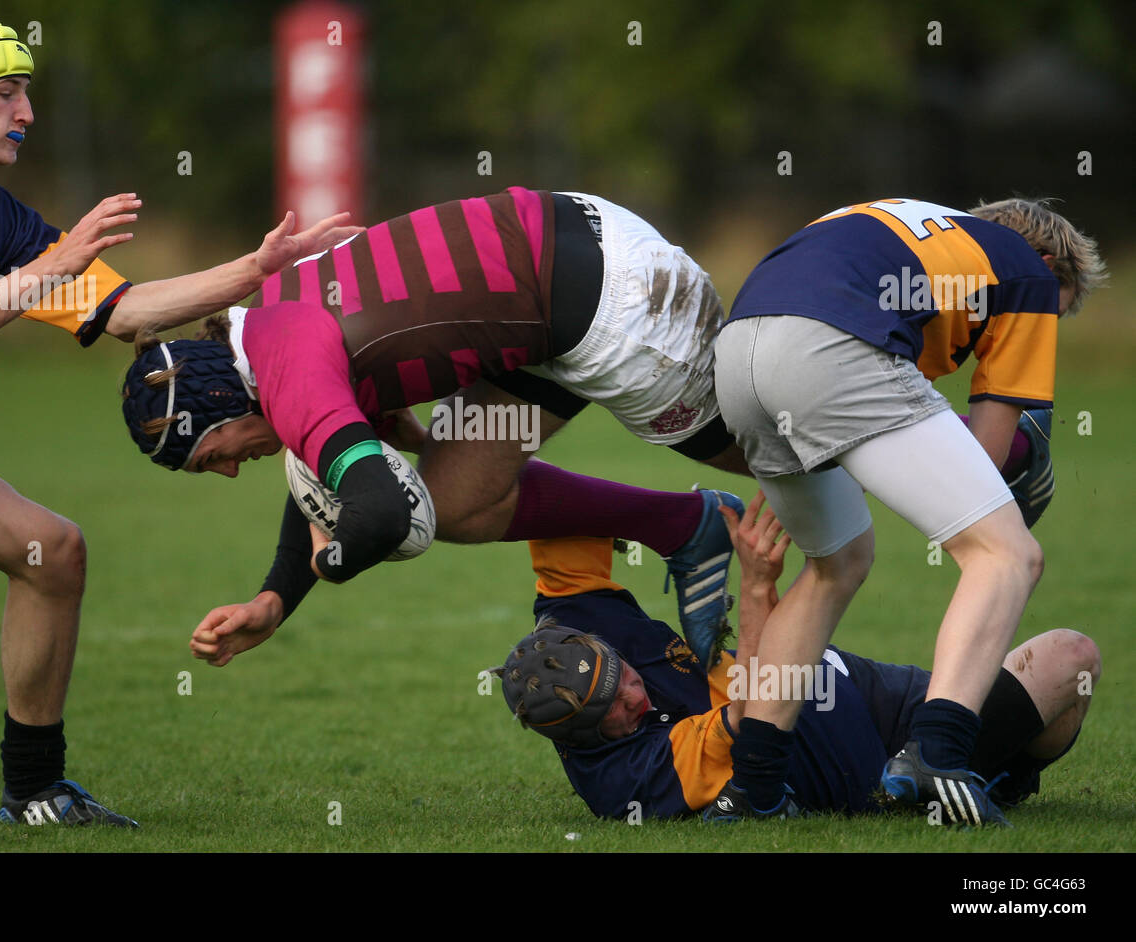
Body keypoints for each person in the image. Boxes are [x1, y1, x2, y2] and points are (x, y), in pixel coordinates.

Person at [0, 11, 356, 827]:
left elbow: (121, 310)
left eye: (28, 93)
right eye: (6, 93)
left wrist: (250, 271)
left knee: (55, 553)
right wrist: (48, 267)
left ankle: (36, 791)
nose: (27, 112)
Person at [122, 188, 751, 669]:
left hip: (615, 302)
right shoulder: (265, 330)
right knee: (457, 499)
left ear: (218, 403)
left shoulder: (284, 371)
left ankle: (839, 485)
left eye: (212, 457)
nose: (231, 470)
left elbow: (385, 513)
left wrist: (331, 564)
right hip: (558, 276)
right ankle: (691, 528)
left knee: (770, 451)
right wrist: (272, 602)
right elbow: (324, 473)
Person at [708, 197, 1105, 823]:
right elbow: (988, 458)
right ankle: (937, 753)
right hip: (832, 350)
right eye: (1052, 316)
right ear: (1048, 262)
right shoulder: (1025, 272)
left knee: (835, 563)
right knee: (1006, 554)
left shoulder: (901, 228)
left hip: (737, 356)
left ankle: (754, 788)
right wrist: (1027, 454)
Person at [496, 494, 1098, 823]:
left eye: (622, 674)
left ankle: (997, 777)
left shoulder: (578, 625)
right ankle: (955, 778)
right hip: (872, 758)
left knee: (1073, 672)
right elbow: (758, 708)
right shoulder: (625, 778)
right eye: (615, 709)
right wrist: (757, 586)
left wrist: (678, 519)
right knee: (1070, 657)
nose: (635, 695)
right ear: (579, 739)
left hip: (872, 689)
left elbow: (550, 499)